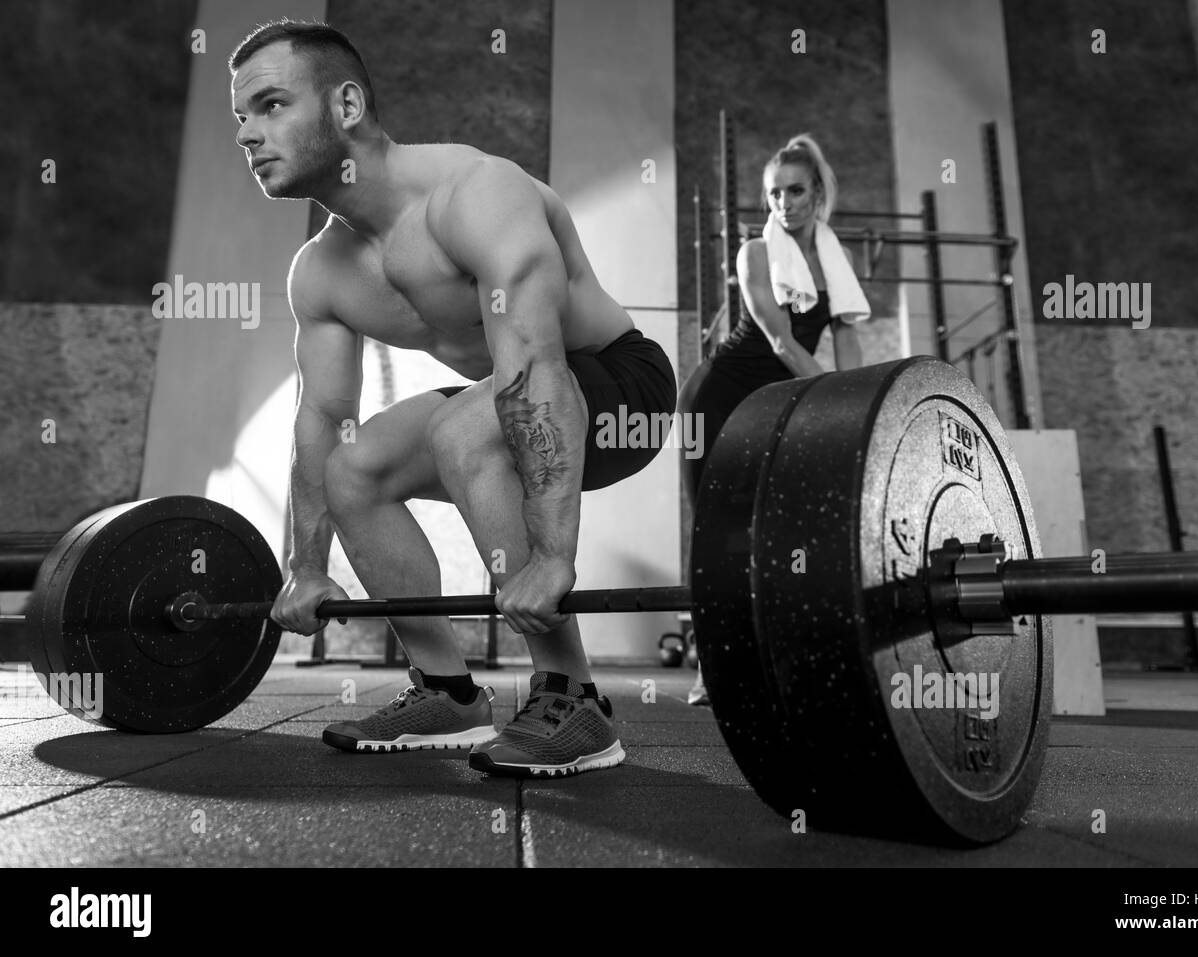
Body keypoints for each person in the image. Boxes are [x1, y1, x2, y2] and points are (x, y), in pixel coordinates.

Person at [228, 20, 676, 776]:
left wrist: (554, 557)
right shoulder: (322, 272)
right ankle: (447, 689)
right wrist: (304, 566)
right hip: (501, 397)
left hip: (621, 386)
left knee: (474, 422)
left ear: (345, 106)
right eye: (241, 117)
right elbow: (319, 420)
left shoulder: (476, 193)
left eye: (270, 105)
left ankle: (575, 699)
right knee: (353, 465)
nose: (248, 134)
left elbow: (533, 364)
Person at [678, 133, 872, 705]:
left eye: (795, 191)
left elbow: (849, 338)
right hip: (721, 396)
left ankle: (774, 656)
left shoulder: (836, 260)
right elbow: (782, 342)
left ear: (818, 193)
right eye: (773, 194)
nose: (784, 204)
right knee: (718, 532)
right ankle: (707, 668)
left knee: (782, 530)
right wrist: (837, 395)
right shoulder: (755, 253)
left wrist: (858, 396)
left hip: (784, 400)